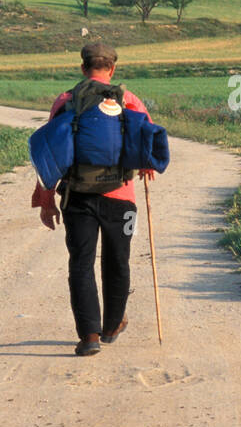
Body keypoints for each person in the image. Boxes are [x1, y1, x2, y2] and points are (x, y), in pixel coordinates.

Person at [32, 43, 154, 356]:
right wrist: (147, 166)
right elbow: (147, 141)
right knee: (119, 261)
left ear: (83, 68)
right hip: (122, 200)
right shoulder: (128, 100)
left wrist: (46, 200)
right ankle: (112, 326)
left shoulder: (67, 100)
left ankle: (89, 336)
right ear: (112, 69)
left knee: (81, 264)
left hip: (77, 199)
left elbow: (51, 152)